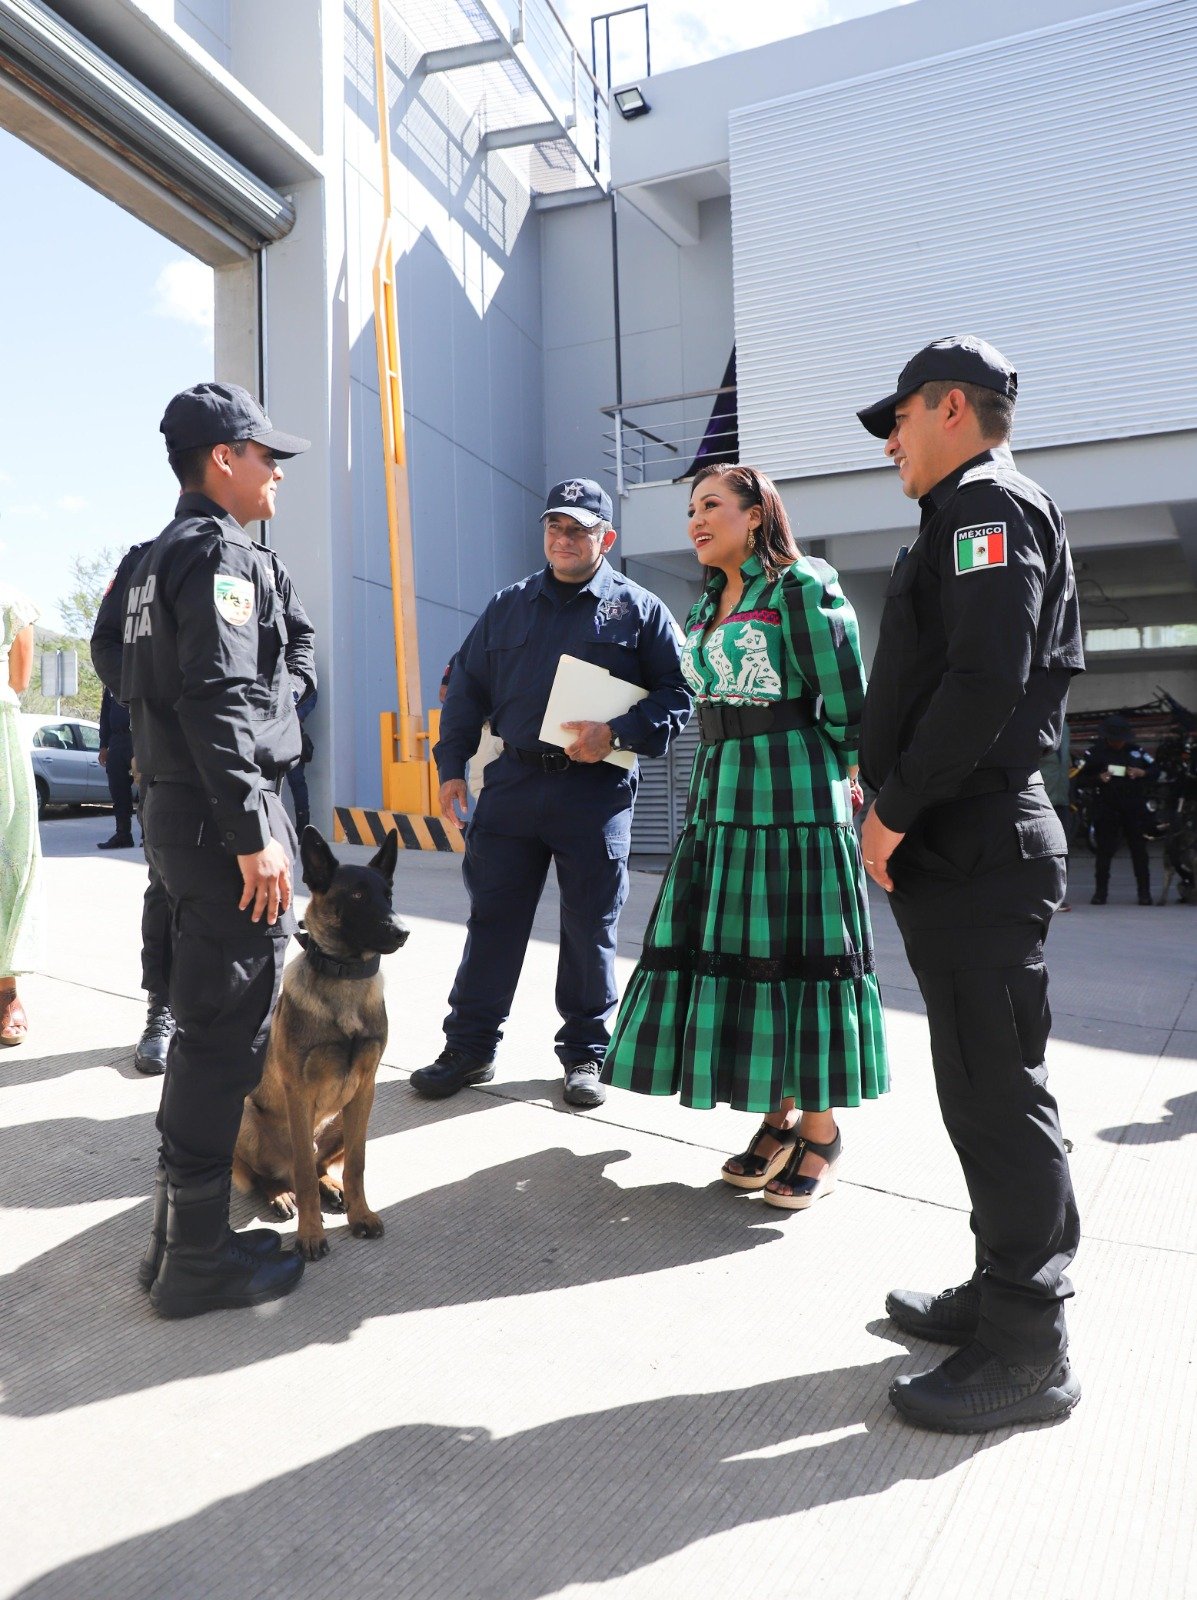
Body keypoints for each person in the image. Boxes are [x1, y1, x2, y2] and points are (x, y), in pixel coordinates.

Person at [856, 335, 1084, 1432]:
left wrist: (892, 807)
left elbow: (987, 678)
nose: (889, 441)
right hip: (963, 845)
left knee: (1000, 1099)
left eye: (897, 418)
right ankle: (1000, 1293)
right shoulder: (958, 516)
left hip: (977, 840)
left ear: (951, 408)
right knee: (980, 1089)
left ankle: (1029, 1348)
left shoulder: (988, 507)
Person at [604, 464, 888, 1206]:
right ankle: (777, 1116)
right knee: (746, 953)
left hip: (794, 794)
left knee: (799, 952)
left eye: (711, 507)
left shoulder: (801, 586)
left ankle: (820, 1131)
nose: (695, 520)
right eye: (690, 510)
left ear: (755, 515)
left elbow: (846, 705)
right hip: (724, 790)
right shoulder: (703, 603)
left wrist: (846, 779)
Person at [103, 381, 315, 1318]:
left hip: (175, 812)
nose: (277, 471)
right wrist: (253, 835)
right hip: (224, 826)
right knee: (225, 1036)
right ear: (222, 460)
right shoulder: (224, 557)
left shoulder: (149, 560)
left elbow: (117, 664)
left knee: (202, 1028)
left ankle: (173, 1240)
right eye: (266, 455)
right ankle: (195, 1262)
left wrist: (267, 696)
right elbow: (217, 698)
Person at [414, 477, 691, 1109]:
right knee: (493, 922)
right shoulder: (508, 606)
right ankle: (470, 1047)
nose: (563, 539)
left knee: (590, 925)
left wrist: (616, 732)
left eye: (578, 529)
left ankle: (586, 1053)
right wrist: (452, 765)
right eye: (554, 527)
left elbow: (681, 694)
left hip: (594, 792)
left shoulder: (639, 610)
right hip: (512, 783)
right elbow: (465, 691)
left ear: (606, 538)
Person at [0, 584, 43, 1047]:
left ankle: (5, 991)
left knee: (6, 861)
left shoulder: (11, 603)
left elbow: (18, 681)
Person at [1073, 713, 1155, 904]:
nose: (1118, 743)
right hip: (1107, 808)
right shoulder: (1095, 753)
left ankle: (1144, 893)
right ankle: (1100, 893)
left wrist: (1142, 772)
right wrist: (1097, 779)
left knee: (1139, 851)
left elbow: (1155, 770)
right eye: (1115, 739)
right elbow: (1079, 778)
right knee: (1104, 852)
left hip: (1133, 808)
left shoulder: (1136, 751)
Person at [97, 686, 136, 849]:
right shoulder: (111, 683)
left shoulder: (139, 671)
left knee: (147, 790)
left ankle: (148, 835)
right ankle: (123, 834)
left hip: (138, 737)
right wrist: (103, 745)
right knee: (118, 790)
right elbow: (105, 716)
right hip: (117, 740)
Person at [1039, 719, 1072, 911]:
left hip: (1062, 798)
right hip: (1042, 798)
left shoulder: (1064, 726)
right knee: (1042, 850)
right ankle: (1042, 895)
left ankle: (1058, 896)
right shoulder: (1035, 721)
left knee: (1062, 849)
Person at [284, 683, 317, 834]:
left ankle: (302, 829)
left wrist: (296, 715)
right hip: (269, 734)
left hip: (292, 735)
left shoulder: (300, 671)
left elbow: (311, 696)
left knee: (297, 782)